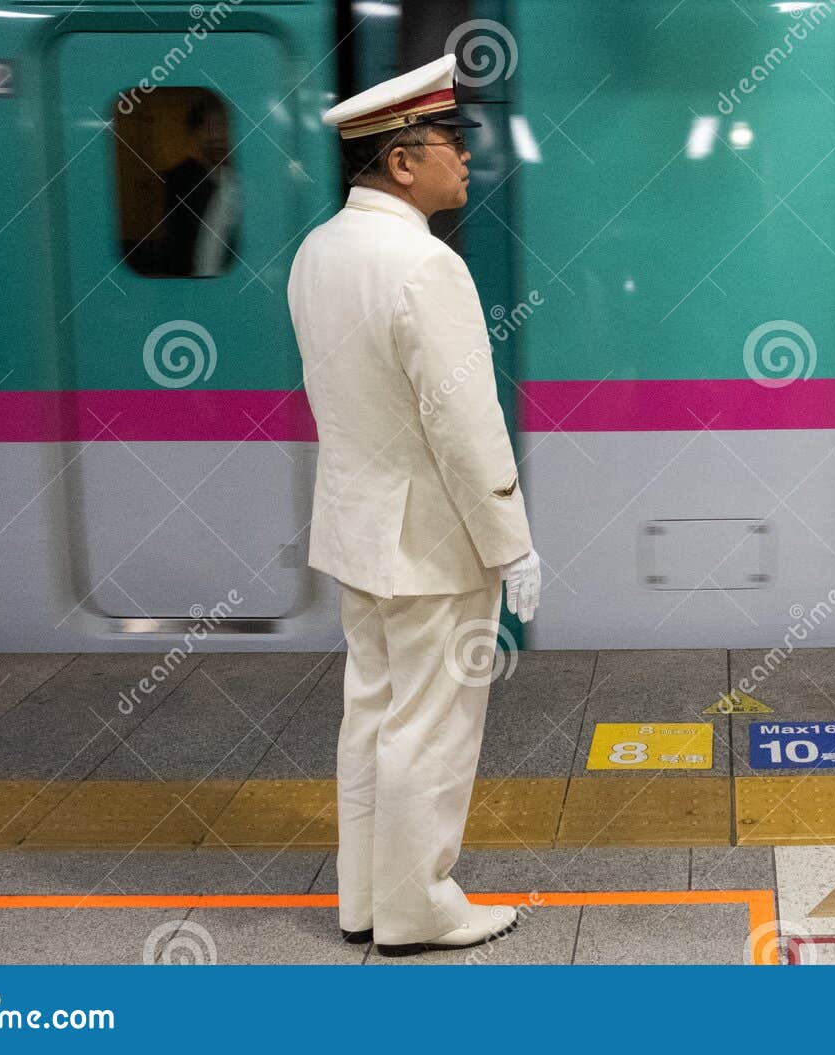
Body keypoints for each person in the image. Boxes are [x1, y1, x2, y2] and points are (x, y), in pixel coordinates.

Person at [286, 54, 542, 957]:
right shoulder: (424, 266)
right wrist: (511, 542)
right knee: (431, 728)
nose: (466, 160)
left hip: (358, 530)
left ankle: (364, 899)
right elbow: (464, 423)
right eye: (451, 143)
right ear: (401, 161)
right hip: (432, 540)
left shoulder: (319, 250)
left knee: (374, 716)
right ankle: (420, 908)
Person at [161, 96, 239, 276]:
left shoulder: (237, 177)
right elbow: (176, 243)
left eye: (225, 127)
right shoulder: (180, 179)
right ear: (195, 133)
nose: (220, 135)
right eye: (212, 127)